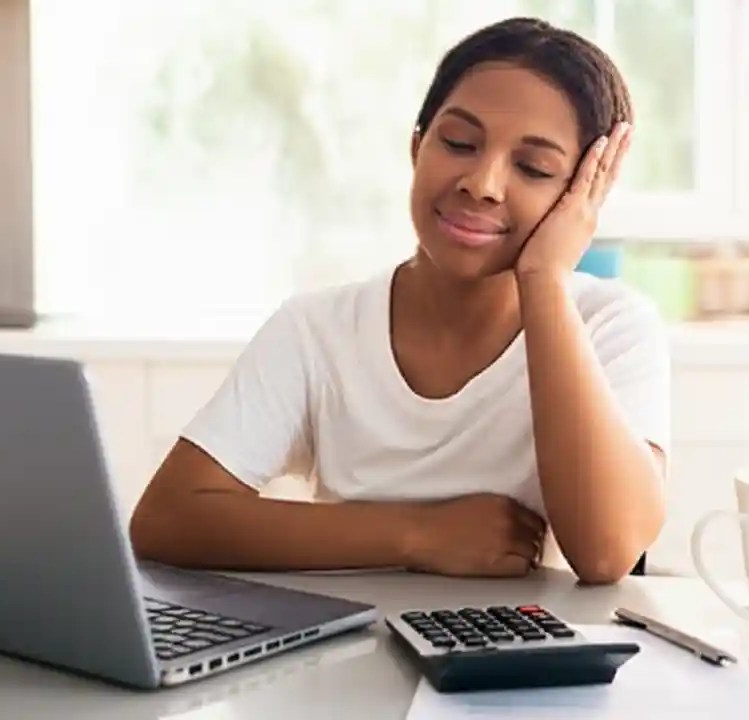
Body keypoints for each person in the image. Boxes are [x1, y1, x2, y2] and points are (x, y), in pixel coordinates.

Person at [130, 17, 668, 584]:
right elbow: (167, 518)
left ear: (582, 195)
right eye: (459, 143)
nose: (482, 183)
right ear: (418, 147)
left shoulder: (613, 326)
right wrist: (418, 534)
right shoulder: (317, 329)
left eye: (533, 169)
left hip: (537, 667)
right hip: (349, 657)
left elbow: (607, 553)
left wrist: (546, 280)